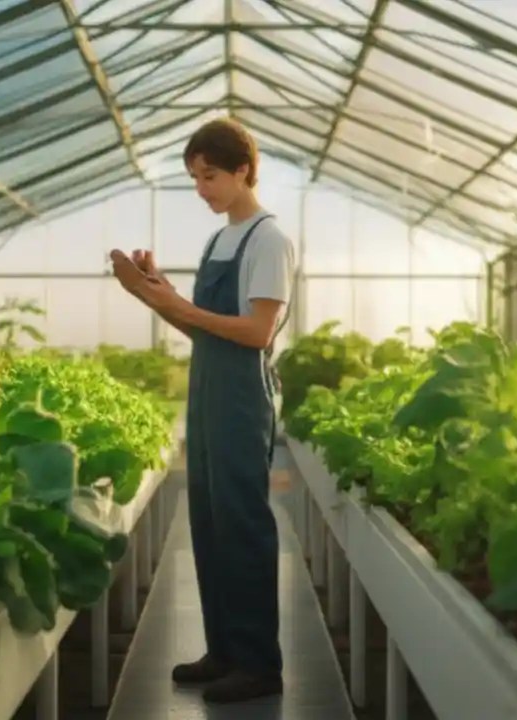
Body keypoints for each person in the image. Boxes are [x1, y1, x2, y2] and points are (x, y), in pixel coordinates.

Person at [109, 118, 296, 704]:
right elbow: (199, 329)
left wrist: (174, 303)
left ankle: (259, 663)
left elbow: (258, 331)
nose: (202, 188)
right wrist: (153, 292)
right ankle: (225, 650)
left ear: (244, 170)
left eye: (210, 175)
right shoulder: (220, 241)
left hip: (242, 396)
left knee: (243, 524)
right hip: (208, 390)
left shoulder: (269, 239)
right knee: (210, 524)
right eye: (194, 178)